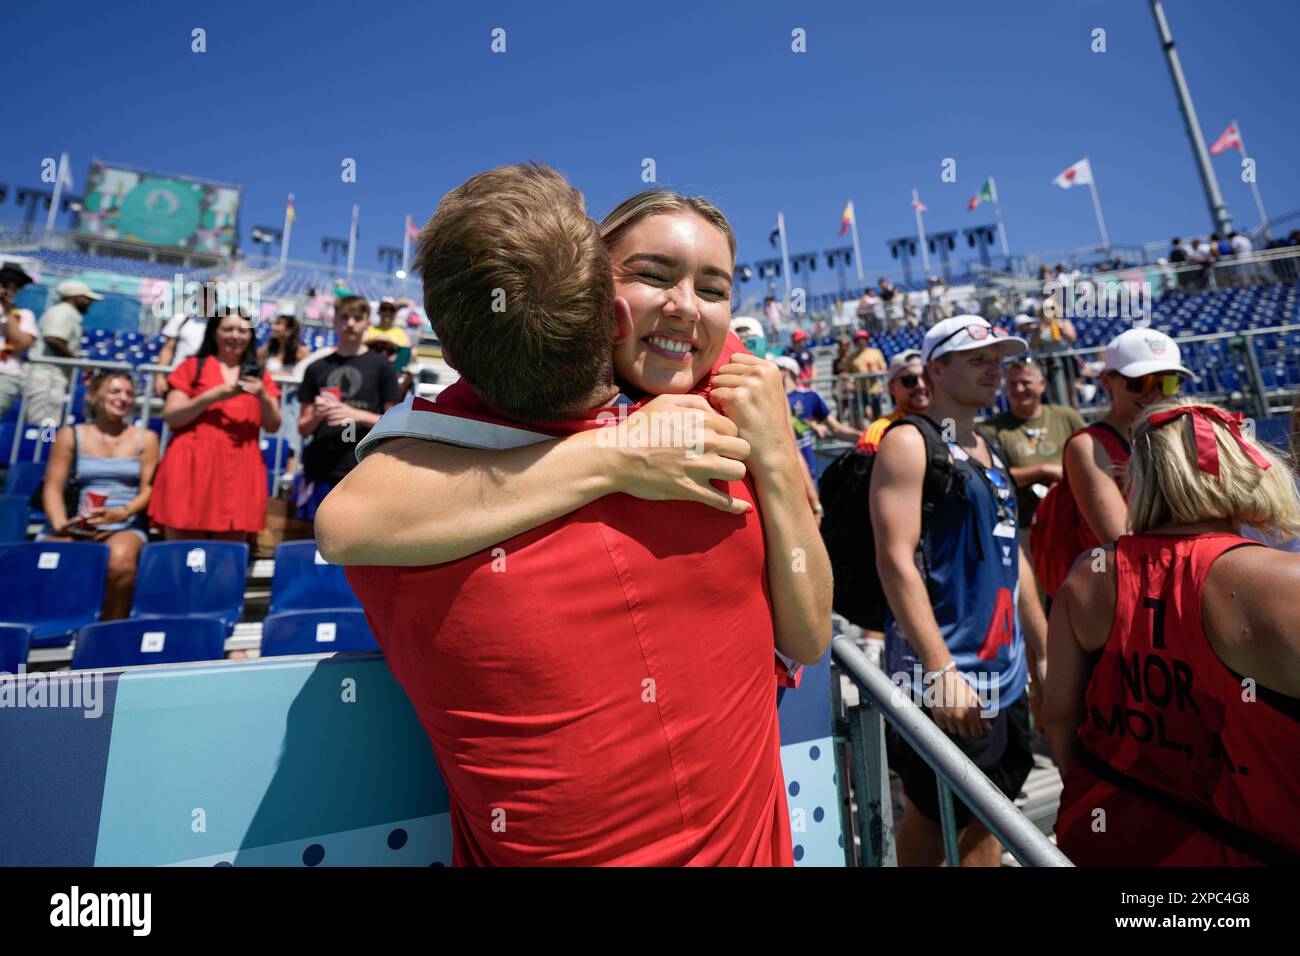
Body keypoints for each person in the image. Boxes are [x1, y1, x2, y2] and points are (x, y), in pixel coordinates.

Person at [319, 166, 831, 865]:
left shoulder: (737, 391)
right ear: (598, 300)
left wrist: (776, 454)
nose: (685, 306)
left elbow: (808, 636)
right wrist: (617, 455)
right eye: (653, 274)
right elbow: (346, 523)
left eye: (714, 288)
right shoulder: (485, 408)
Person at [1045, 398, 1300, 866]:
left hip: (1111, 839)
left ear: (1140, 477)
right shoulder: (1286, 582)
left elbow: (1059, 714)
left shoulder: (1089, 573)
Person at [870, 315, 1047, 867]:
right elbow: (895, 559)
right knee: (935, 810)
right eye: (977, 360)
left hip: (1005, 671)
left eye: (998, 360)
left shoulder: (992, 451)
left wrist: (1042, 655)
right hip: (948, 672)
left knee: (990, 810)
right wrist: (942, 671)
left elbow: (1013, 559)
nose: (994, 370)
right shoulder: (908, 441)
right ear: (936, 369)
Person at [1033, 328, 1193, 601]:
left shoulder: (1176, 437)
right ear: (1107, 380)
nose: (1156, 393)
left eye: (1168, 382)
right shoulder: (1088, 446)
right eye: (1141, 382)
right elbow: (1123, 541)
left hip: (1172, 584)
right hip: (1122, 599)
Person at [148, 308, 282, 540]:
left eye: (242, 330)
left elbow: (273, 425)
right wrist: (212, 396)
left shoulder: (261, 376)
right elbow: (173, 417)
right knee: (182, 556)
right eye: (227, 329)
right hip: (191, 467)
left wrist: (262, 396)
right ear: (214, 333)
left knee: (226, 559)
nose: (235, 336)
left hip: (238, 471)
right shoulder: (192, 367)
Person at [39, 372, 159, 618]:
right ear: (93, 396)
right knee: (43, 558)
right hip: (77, 521)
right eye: (115, 391)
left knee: (120, 559)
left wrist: (121, 513)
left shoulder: (146, 438)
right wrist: (61, 524)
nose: (123, 398)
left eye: (128, 393)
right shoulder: (69, 435)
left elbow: (150, 489)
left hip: (123, 522)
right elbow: (52, 486)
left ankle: (108, 631)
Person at [295, 296, 401, 520]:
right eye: (344, 317)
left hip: (363, 468)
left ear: (367, 323)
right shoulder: (316, 368)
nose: (350, 323)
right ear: (334, 321)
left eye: (357, 318)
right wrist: (317, 414)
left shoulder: (383, 368)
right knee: (312, 546)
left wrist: (355, 415)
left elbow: (397, 424)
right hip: (320, 467)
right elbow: (303, 428)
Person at [980, 357, 1086, 538]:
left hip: (1075, 517)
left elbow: (1092, 458)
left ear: (1041, 384)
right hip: (1026, 523)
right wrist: (1044, 470)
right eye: (1012, 384)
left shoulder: (1066, 417)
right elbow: (993, 477)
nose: (1019, 389)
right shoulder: (990, 429)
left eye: (1025, 382)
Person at [23, 280, 100, 426]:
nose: (90, 303)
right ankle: (45, 447)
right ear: (76, 297)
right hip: (46, 379)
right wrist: (78, 362)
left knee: (48, 422)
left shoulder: (65, 312)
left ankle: (45, 446)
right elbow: (53, 339)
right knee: (46, 425)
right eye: (87, 299)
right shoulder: (64, 312)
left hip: (49, 379)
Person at [779, 355, 860, 476]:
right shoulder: (771, 400)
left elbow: (837, 429)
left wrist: (864, 436)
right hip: (783, 469)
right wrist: (813, 425)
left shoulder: (809, 396)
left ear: (785, 371)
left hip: (806, 467)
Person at [856, 350, 929, 453]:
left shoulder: (948, 422)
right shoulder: (878, 432)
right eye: (909, 380)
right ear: (892, 387)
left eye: (926, 378)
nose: (921, 385)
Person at [153, 292, 213, 397]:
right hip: (178, 376)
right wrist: (159, 376)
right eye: (202, 297)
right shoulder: (180, 319)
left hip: (205, 380)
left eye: (210, 297)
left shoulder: (217, 326)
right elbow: (167, 349)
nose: (205, 301)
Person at [0, 262, 38, 420]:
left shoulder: (23, 315)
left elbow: (21, 345)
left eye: (15, 283)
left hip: (4, 377)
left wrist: (7, 311)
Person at [848, 329, 887, 420]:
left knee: (876, 414)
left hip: (874, 390)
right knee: (859, 414)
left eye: (863, 339)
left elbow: (884, 369)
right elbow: (847, 373)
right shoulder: (852, 357)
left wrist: (876, 372)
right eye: (858, 339)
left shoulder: (875, 352)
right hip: (860, 391)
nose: (861, 341)